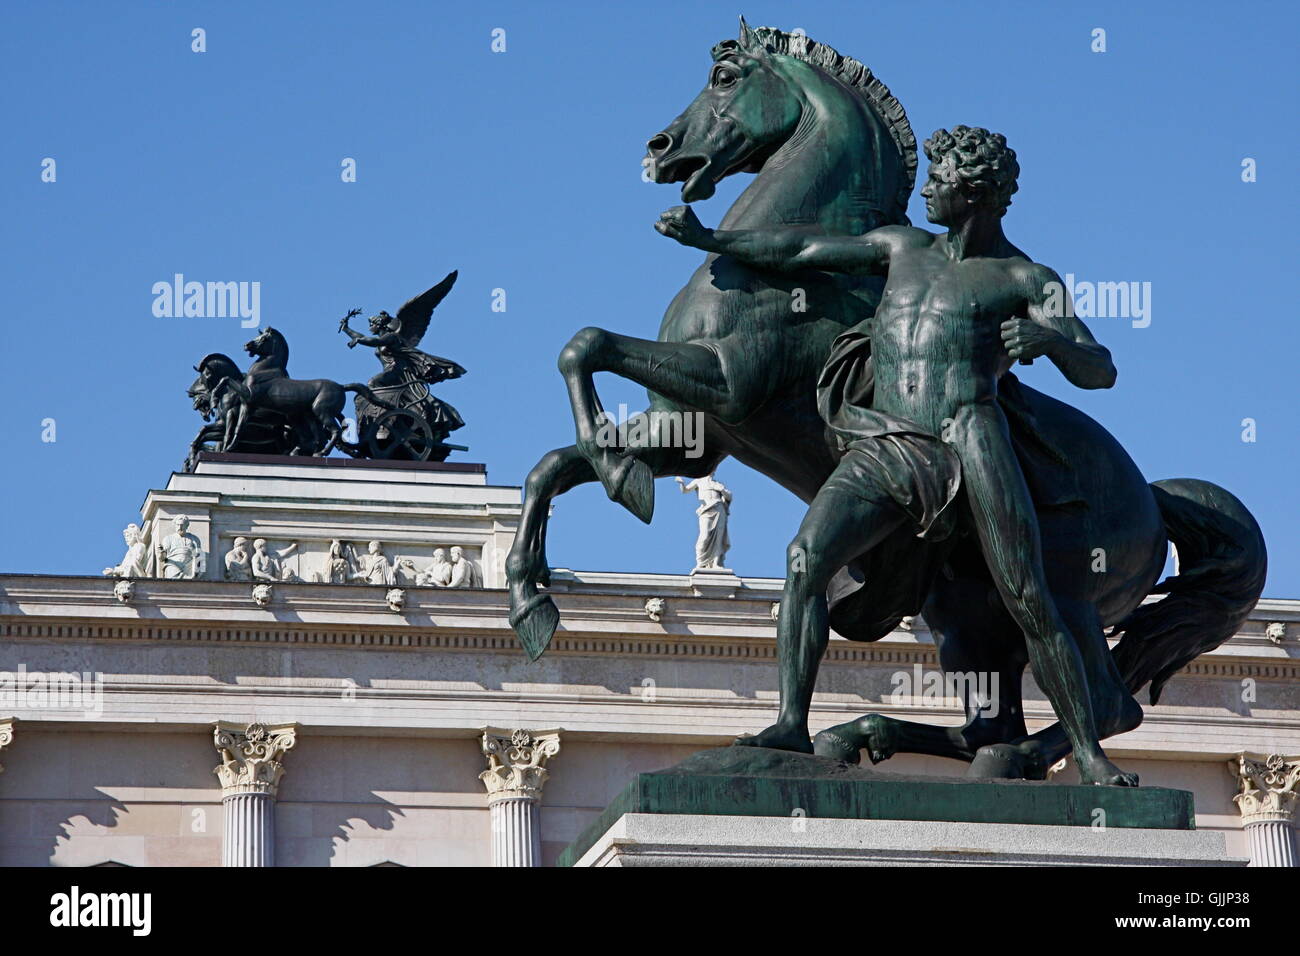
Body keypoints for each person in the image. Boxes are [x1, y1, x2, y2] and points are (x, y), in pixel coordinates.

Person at [656, 125, 1135, 786]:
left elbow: (1100, 368)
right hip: (884, 442)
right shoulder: (902, 247)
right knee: (805, 560)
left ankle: (1088, 752)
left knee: (1028, 597)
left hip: (971, 440)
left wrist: (1051, 344)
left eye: (940, 180)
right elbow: (799, 248)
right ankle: (790, 724)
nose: (928, 190)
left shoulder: (1026, 277)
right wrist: (710, 239)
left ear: (975, 193)